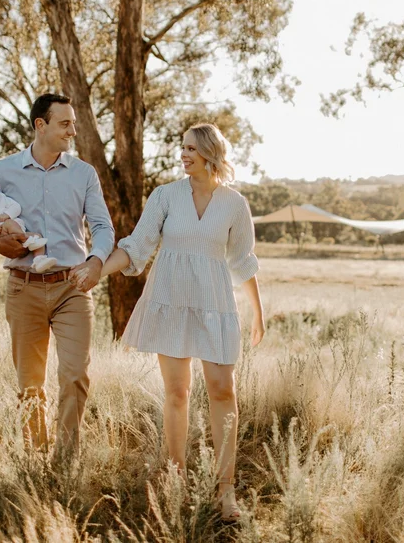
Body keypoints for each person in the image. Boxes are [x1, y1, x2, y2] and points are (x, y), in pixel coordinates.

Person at [70, 123, 264, 521]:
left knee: (223, 391)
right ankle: (176, 481)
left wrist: (259, 314)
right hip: (171, 301)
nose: (184, 155)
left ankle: (226, 493)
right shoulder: (165, 196)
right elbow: (136, 247)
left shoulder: (234, 203)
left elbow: (243, 261)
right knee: (177, 392)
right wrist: (97, 273)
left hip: (215, 304)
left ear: (210, 152)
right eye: (183, 147)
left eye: (191, 148)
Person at [0, 93, 114, 456]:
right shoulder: (2, 172)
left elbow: (102, 226)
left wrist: (96, 260)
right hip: (23, 288)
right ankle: (36, 459)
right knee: (30, 384)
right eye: (65, 123)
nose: (73, 130)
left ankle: (65, 460)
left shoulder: (83, 174)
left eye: (73, 123)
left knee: (75, 376)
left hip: (73, 286)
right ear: (40, 125)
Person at [0, 175, 57, 273]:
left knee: (37, 236)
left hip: (16, 230)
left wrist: (7, 214)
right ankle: (27, 240)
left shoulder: (2, 199)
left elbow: (16, 207)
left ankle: (39, 260)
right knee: (9, 224)